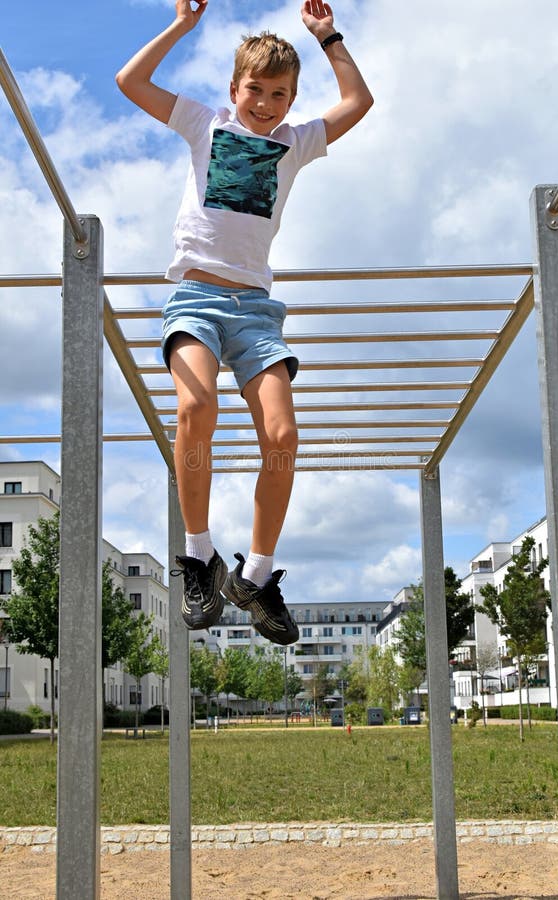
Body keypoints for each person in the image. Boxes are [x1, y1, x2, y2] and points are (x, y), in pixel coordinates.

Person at [116, 0, 373, 646]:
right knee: (196, 406)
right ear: (234, 89)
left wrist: (327, 37)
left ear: (290, 98)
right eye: (254, 90)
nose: (265, 102)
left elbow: (357, 101)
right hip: (197, 298)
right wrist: (180, 28)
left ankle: (254, 577)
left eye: (279, 93)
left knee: (283, 434)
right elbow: (130, 83)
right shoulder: (206, 124)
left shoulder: (295, 141)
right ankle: (199, 557)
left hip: (256, 311)